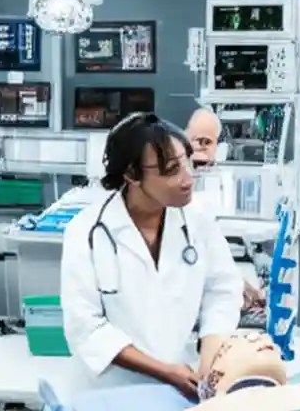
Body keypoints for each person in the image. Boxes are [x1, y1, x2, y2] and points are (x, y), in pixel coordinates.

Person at [61, 112, 243, 398]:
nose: (187, 178)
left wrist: (209, 357)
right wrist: (165, 371)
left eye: (187, 161)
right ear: (132, 175)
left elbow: (222, 289)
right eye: (171, 169)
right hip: (110, 393)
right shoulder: (87, 232)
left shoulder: (197, 220)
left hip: (182, 387)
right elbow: (85, 327)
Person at [186, 107, 266, 312]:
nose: (199, 148)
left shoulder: (226, 182)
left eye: (206, 142)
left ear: (218, 147)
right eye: (195, 140)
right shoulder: (173, 183)